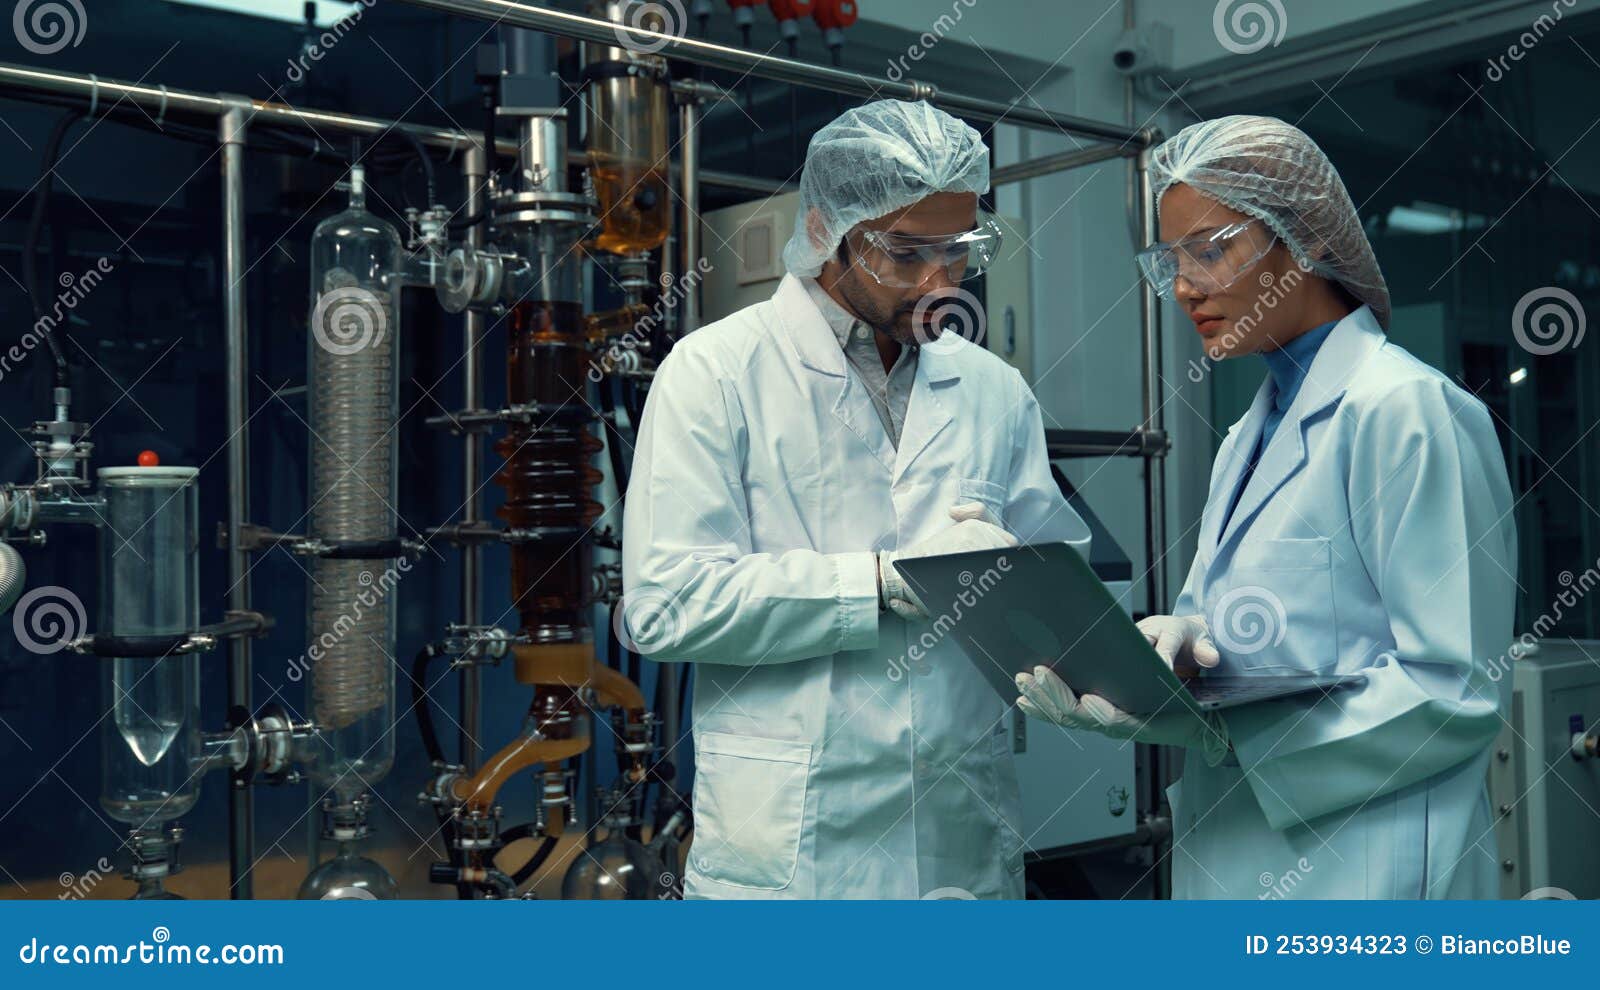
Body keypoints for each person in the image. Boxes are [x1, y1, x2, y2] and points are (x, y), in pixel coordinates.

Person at [1016, 115, 1517, 899]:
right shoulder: (1249, 432)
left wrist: (1225, 726)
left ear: (1304, 238)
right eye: (1170, 260)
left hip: (1367, 871)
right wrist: (1167, 665)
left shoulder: (1406, 410)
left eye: (1210, 250)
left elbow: (1456, 688)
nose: (1183, 287)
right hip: (1237, 853)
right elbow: (1238, 648)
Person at [623, 99, 1090, 899]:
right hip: (797, 849)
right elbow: (666, 606)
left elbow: (1052, 577)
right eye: (907, 254)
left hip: (958, 834)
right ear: (823, 230)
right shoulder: (715, 373)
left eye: (959, 251)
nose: (940, 283)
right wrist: (879, 581)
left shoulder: (992, 390)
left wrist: (1106, 658)